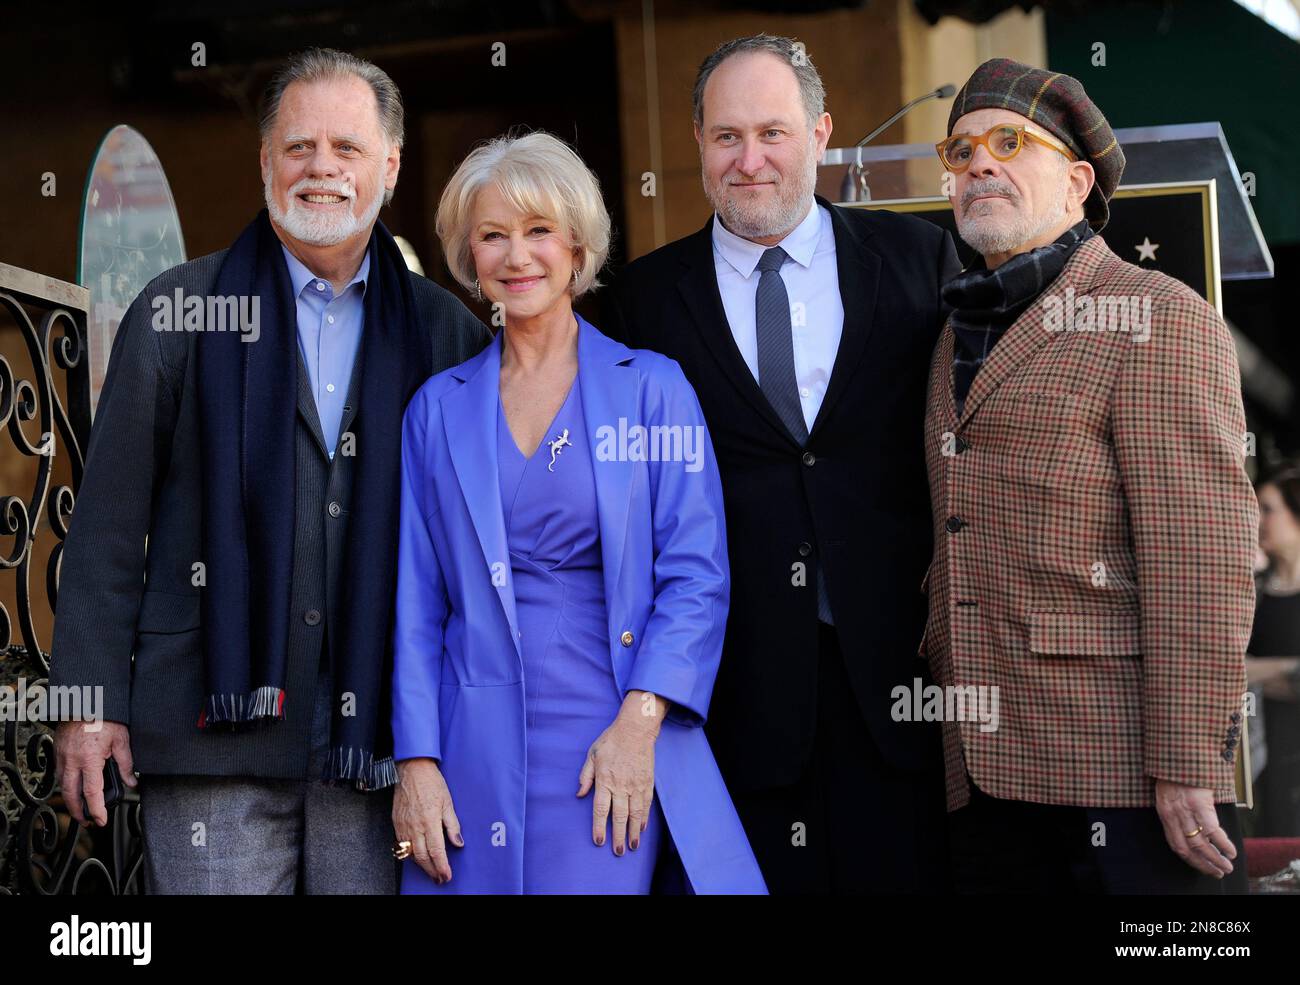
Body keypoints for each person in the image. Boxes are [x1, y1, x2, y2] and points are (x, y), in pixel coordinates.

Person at [49, 48, 489, 894]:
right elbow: (106, 524)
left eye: (347, 149)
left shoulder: (446, 334)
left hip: (377, 743)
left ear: (390, 168)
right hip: (208, 734)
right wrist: (89, 701)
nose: (321, 168)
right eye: (298, 147)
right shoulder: (179, 309)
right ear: (264, 162)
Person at [604, 33, 962, 894]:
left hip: (902, 690)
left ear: (821, 133)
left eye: (773, 132)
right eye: (727, 136)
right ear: (696, 142)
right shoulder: (639, 303)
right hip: (730, 702)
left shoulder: (922, 263)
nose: (749, 158)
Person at [390, 131, 766, 894]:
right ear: (470, 253)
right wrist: (417, 762)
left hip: (608, 740)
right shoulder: (435, 410)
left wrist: (641, 721)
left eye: (537, 232)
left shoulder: (654, 390)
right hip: (469, 754)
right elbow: (417, 604)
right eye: (493, 235)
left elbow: (697, 578)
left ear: (576, 245)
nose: (516, 255)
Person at [923, 57, 1257, 893]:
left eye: (1008, 142)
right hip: (981, 777)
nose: (979, 165)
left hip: (1127, 780)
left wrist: (1188, 761)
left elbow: (1202, 560)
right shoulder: (954, 330)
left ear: (1077, 183)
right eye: (960, 152)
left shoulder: (1157, 315)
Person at [1247, 465, 1300, 837]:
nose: (1258, 519)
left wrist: (1252, 670)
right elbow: (1226, 667)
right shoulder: (1256, 591)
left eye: (1267, 508)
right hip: (1264, 753)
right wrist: (1289, 668)